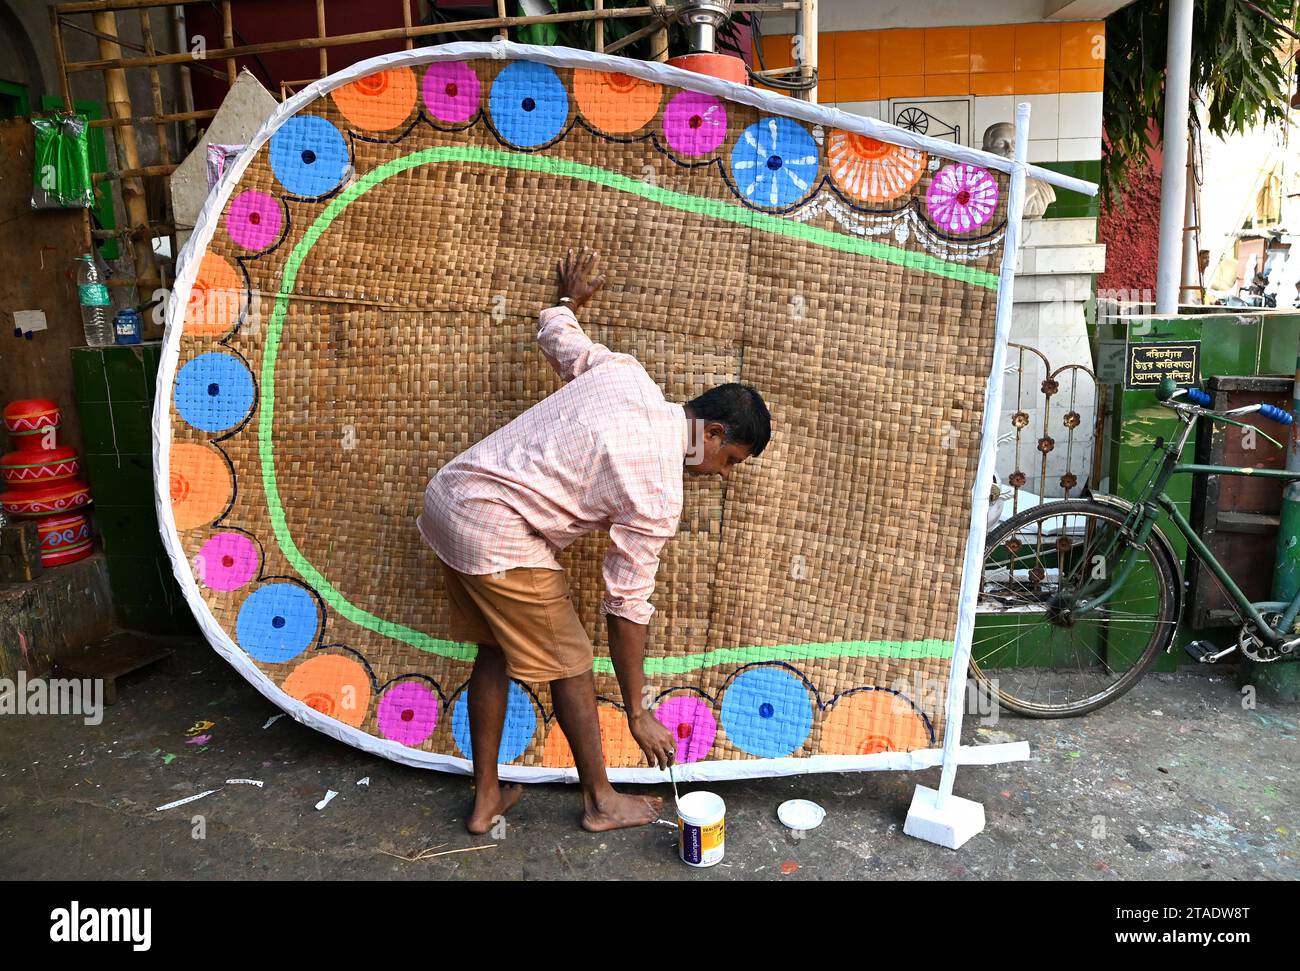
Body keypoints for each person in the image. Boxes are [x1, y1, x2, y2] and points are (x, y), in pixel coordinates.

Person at [417, 247, 772, 834]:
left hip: (449, 498)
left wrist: (566, 302)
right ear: (712, 433)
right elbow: (625, 603)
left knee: (495, 650)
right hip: (495, 528)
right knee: (572, 662)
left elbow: (562, 338)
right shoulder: (660, 488)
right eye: (729, 459)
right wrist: (638, 710)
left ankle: (485, 800)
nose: (724, 474)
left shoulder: (626, 374)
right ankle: (601, 800)